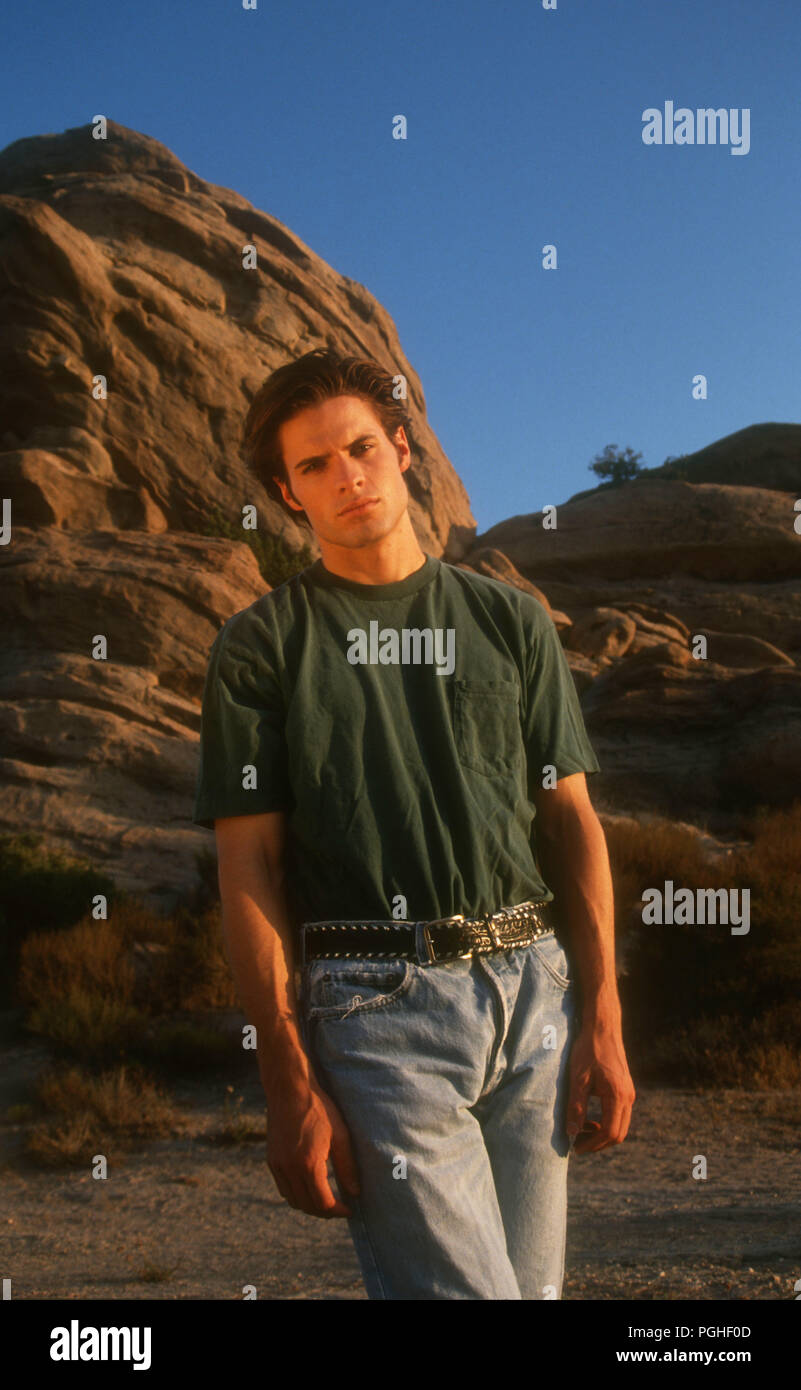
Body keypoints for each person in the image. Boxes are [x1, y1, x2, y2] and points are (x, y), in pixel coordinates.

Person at [192, 348, 635, 1299]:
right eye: (314, 466)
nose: (346, 476)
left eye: (360, 448)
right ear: (288, 492)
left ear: (402, 450)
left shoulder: (511, 621)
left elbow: (572, 827)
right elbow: (249, 870)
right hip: (374, 1008)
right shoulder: (260, 648)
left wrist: (601, 1012)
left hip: (534, 994)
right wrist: (287, 1080)